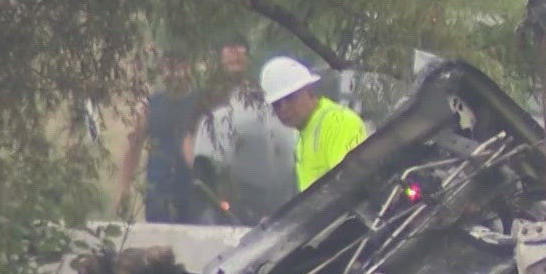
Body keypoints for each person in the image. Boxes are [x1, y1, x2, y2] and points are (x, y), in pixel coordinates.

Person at [191, 39, 297, 221]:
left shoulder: (263, 97)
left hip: (270, 192)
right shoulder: (209, 98)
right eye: (230, 56)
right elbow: (198, 152)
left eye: (239, 55)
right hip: (231, 197)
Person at [115, 49, 200, 223]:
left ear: (188, 68)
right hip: (157, 193)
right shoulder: (150, 105)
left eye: (178, 68)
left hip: (194, 194)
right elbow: (134, 147)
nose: (173, 75)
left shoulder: (201, 104)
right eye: (168, 68)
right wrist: (123, 190)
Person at [259, 56, 368, 191]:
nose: (284, 108)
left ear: (309, 91)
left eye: (289, 98)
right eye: (276, 104)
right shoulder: (301, 135)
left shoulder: (338, 122)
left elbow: (351, 186)